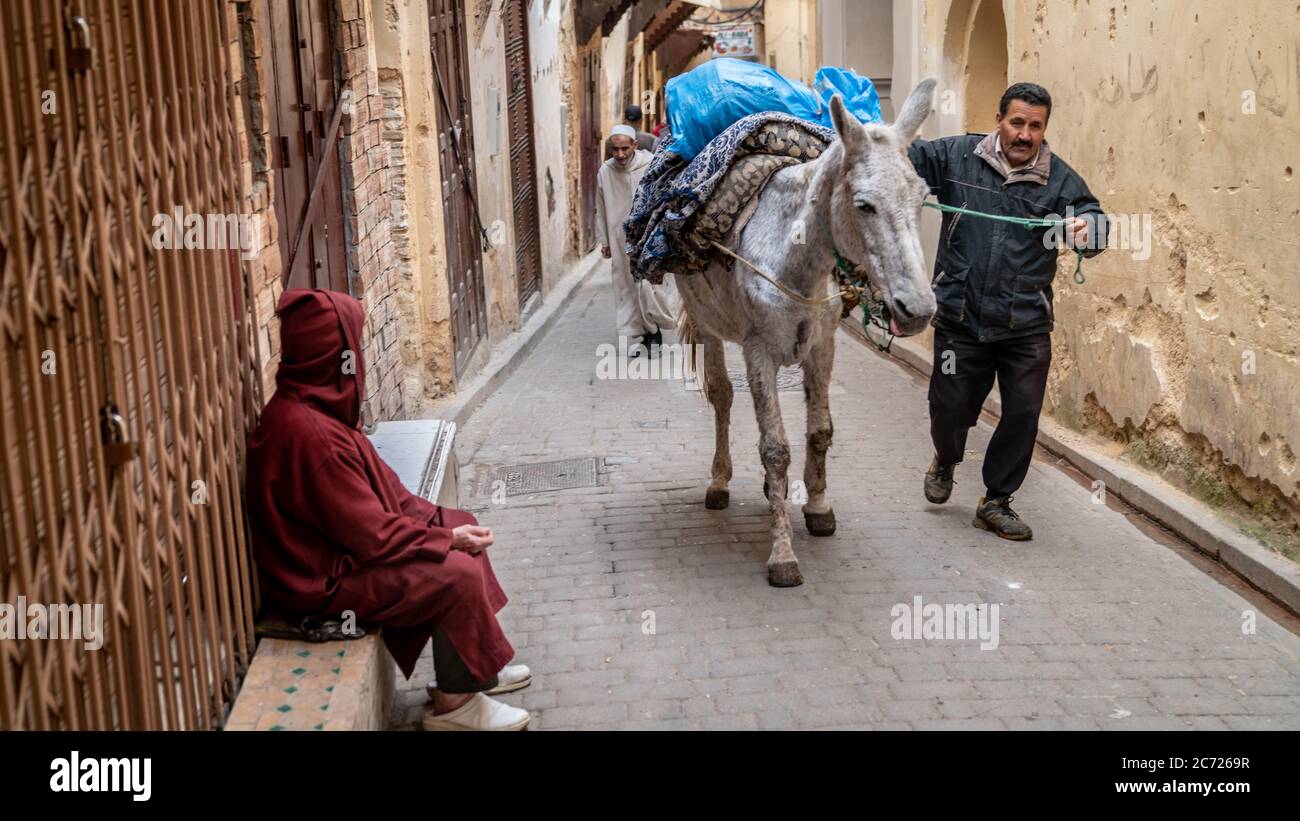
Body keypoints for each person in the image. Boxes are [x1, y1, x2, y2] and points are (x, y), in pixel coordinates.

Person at [245, 288, 532, 731]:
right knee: (452, 571)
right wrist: (442, 541)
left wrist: (437, 523)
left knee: (460, 523)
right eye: (352, 345)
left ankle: (477, 668)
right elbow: (371, 535)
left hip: (347, 552)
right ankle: (456, 707)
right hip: (323, 581)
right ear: (335, 352)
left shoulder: (315, 407)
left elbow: (388, 495)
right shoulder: (308, 433)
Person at [908, 82, 1109, 540]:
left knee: (1022, 413)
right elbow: (907, 158)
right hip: (960, 316)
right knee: (949, 407)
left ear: (1044, 129)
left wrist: (1088, 229)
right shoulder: (956, 157)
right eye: (1017, 122)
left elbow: (1097, 221)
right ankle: (946, 458)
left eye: (1035, 126)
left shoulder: (1060, 182)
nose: (1025, 134)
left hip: (1025, 324)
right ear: (1000, 120)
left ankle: (996, 500)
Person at [596, 125, 678, 356]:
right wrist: (604, 241)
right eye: (615, 150)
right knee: (627, 287)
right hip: (620, 238)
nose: (620, 155)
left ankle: (653, 330)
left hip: (650, 236)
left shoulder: (652, 164)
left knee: (648, 285)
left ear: (635, 145)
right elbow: (600, 208)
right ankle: (639, 333)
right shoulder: (605, 171)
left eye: (624, 148)